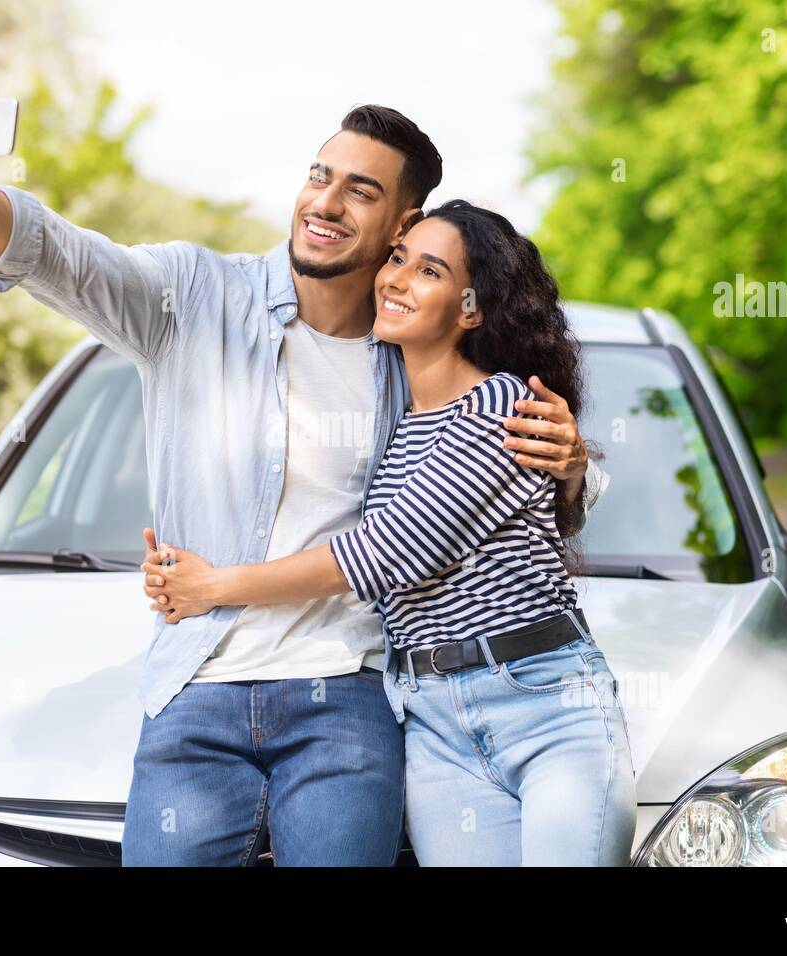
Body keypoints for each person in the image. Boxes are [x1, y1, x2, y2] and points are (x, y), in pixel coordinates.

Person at [0, 77, 607, 865]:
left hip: (349, 695)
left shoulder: (417, 351)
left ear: (403, 225)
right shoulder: (192, 296)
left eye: (360, 191)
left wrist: (577, 467)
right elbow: (62, 258)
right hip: (197, 685)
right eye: (319, 176)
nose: (327, 203)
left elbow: (493, 478)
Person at [142, 201, 636, 865]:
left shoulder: (501, 405)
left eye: (428, 270)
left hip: (542, 700)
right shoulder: (395, 424)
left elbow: (384, 554)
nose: (397, 278)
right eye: (397, 259)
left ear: (471, 309)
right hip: (432, 724)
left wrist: (212, 587)